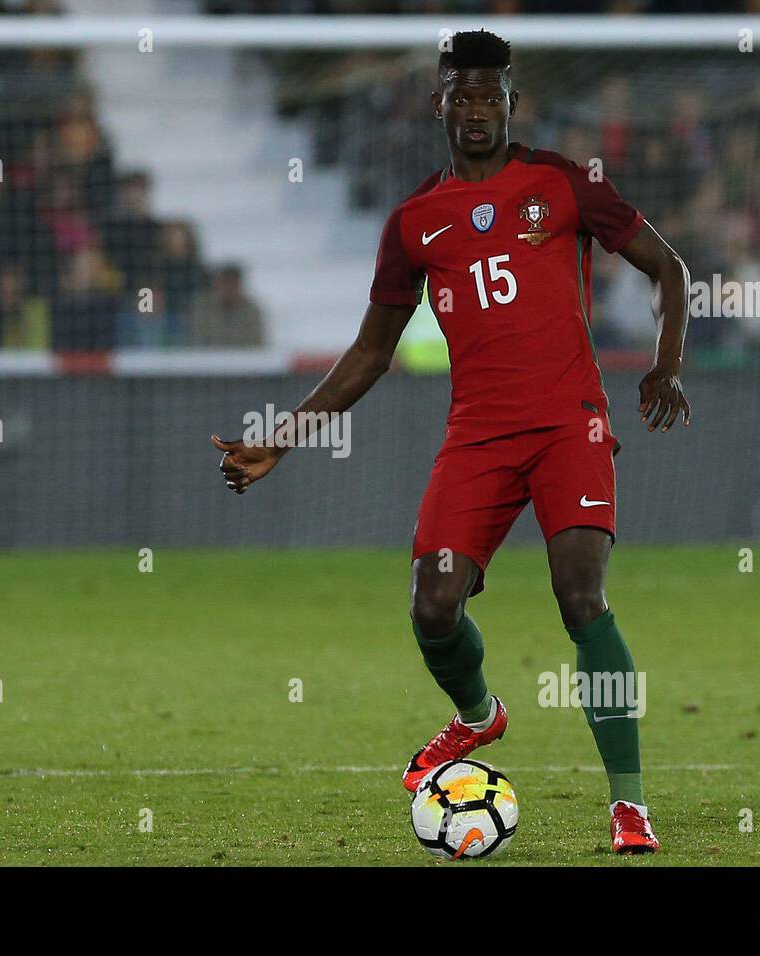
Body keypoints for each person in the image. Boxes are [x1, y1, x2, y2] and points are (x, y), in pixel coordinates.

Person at [211, 30, 690, 854]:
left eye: (489, 95)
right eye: (460, 95)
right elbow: (370, 352)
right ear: (439, 103)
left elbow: (670, 268)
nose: (475, 110)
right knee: (433, 605)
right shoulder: (414, 223)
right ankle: (480, 716)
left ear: (510, 101)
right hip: (478, 436)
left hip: (569, 423)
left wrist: (665, 367)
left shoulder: (564, 185)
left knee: (581, 597)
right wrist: (280, 439)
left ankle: (630, 807)